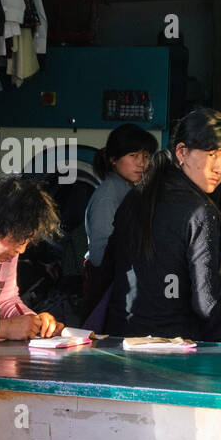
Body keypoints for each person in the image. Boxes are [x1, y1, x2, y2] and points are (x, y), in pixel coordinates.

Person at [103, 108, 221, 344]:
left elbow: (107, 268)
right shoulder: (200, 211)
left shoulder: (135, 197)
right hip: (172, 348)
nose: (220, 168)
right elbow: (208, 306)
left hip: (118, 339)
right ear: (182, 152)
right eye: (212, 155)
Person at [0, 174, 65, 341]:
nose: (21, 250)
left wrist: (34, 322)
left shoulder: (4, 252)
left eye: (27, 241)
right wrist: (4, 329)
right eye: (16, 239)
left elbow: (5, 301)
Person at [80, 124, 157, 319]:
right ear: (114, 159)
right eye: (133, 155)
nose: (141, 163)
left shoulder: (129, 190)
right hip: (108, 287)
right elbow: (100, 256)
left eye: (146, 156)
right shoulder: (108, 196)